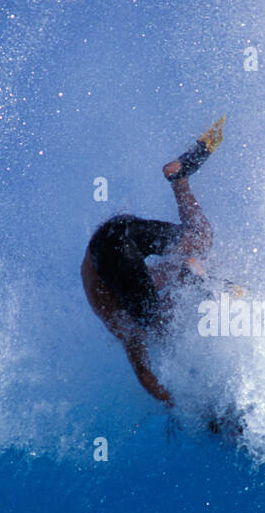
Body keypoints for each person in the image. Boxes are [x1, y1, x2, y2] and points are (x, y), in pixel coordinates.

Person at [81, 117, 224, 406]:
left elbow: (143, 373)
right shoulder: (128, 285)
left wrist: (172, 402)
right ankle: (179, 176)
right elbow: (156, 275)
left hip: (110, 250)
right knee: (200, 239)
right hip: (119, 229)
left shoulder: (121, 320)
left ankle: (192, 276)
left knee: (159, 326)